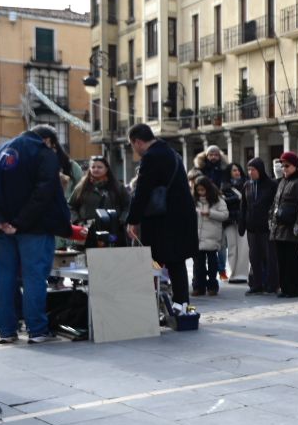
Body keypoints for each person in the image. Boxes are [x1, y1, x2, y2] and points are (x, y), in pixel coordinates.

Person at [0, 124, 72, 345]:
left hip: (1, 230)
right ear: (48, 140)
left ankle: (6, 330)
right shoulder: (44, 153)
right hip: (34, 228)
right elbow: (45, 192)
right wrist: (19, 222)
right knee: (34, 277)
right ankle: (37, 330)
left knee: (3, 277)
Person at [126, 124, 199, 312]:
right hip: (180, 216)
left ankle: (152, 305)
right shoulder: (171, 153)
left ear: (138, 142)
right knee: (176, 263)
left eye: (133, 146)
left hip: (162, 220)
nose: (135, 150)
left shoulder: (151, 157)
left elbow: (141, 191)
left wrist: (132, 220)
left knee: (153, 261)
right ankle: (181, 305)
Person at [269, 151, 298, 298]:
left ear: (295, 166)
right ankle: (285, 288)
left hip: (292, 227)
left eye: (287, 166)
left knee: (293, 259)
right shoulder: (283, 181)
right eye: (282, 165)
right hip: (279, 227)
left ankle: (294, 289)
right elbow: (276, 202)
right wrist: (271, 218)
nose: (284, 168)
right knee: (282, 259)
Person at [242, 158, 279, 296]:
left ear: (260, 170)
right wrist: (242, 223)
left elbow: (276, 204)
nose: (250, 172)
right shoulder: (247, 185)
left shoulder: (271, 185)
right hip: (252, 228)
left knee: (270, 257)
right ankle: (256, 284)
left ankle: (272, 284)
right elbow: (243, 205)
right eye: (248, 169)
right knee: (254, 257)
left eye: (253, 169)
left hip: (266, 228)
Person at [192, 176, 229, 297]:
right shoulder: (193, 200)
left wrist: (210, 213)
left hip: (212, 237)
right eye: (198, 190)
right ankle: (198, 287)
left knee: (213, 265)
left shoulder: (217, 200)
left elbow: (225, 215)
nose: (201, 192)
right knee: (198, 265)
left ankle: (212, 286)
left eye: (203, 190)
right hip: (198, 238)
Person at [68, 155, 130, 225]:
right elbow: (70, 206)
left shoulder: (117, 187)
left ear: (106, 169)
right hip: (87, 228)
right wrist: (77, 221)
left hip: (113, 227)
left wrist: (122, 220)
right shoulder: (82, 187)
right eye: (93, 167)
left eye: (99, 167)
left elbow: (128, 205)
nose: (96, 169)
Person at [222, 161, 248, 283]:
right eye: (234, 170)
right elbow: (222, 202)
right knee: (232, 247)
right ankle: (232, 273)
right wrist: (237, 198)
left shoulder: (247, 184)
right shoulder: (224, 186)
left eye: (238, 170)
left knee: (243, 247)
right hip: (229, 220)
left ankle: (242, 274)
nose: (237, 172)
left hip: (243, 219)